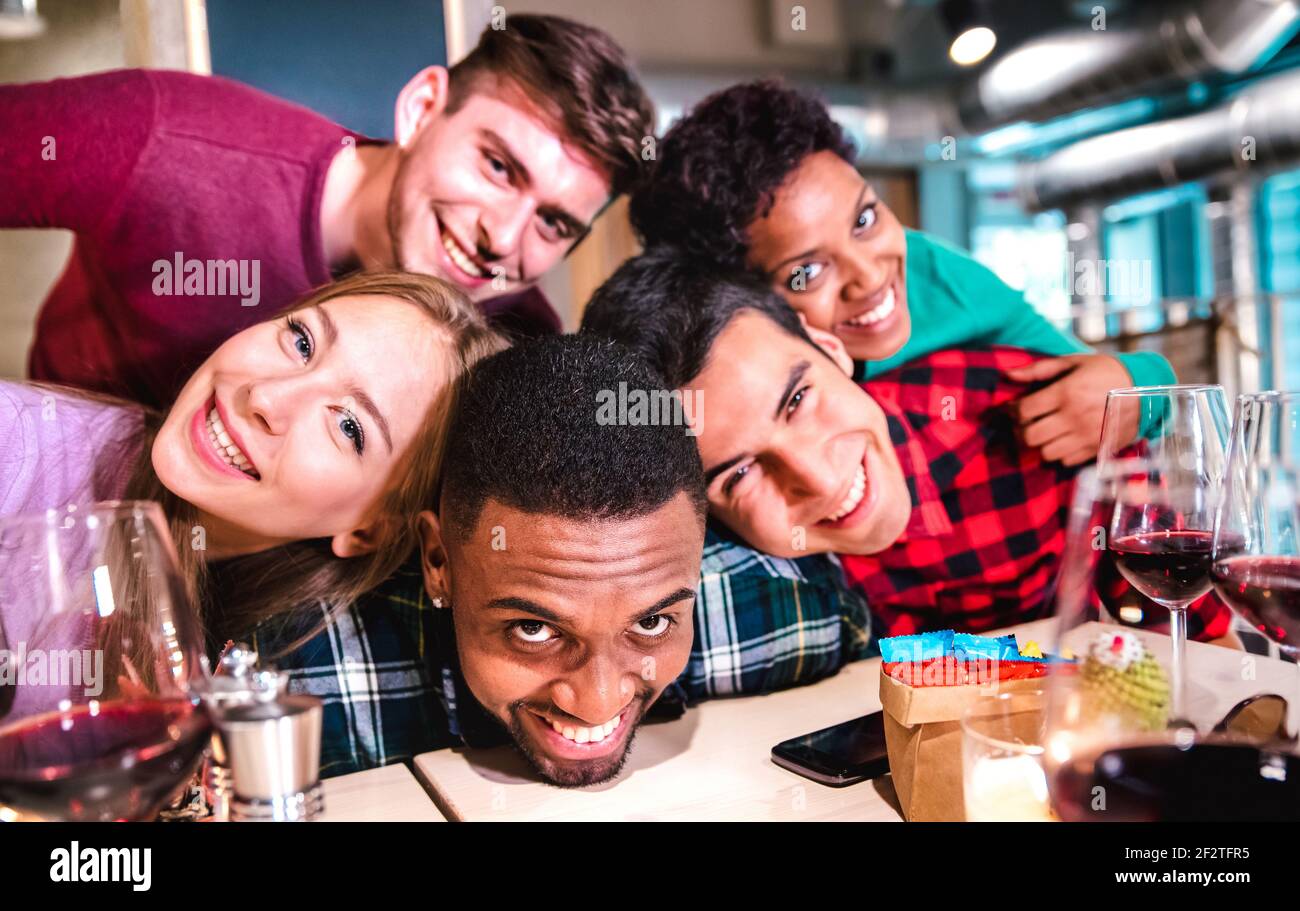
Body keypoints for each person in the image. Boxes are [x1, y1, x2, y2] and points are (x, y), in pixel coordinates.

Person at [248, 334, 874, 781]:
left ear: (697, 556)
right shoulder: (291, 679)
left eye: (652, 622)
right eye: (534, 629)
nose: (597, 702)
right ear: (439, 560)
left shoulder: (793, 611)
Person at [0, 14, 653, 407]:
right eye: (497, 166)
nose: (502, 237)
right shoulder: (166, 138)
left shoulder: (522, 343)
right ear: (423, 108)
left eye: (553, 223)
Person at [580, 248, 1233, 641]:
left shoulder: (1024, 411)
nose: (817, 476)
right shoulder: (710, 575)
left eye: (799, 398)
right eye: (740, 473)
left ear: (831, 349)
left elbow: (1197, 639)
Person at [629, 80, 1175, 468]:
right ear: (736, 299)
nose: (870, 276)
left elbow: (1140, 388)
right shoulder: (711, 372)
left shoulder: (932, 272)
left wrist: (1135, 387)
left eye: (864, 219)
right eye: (808, 271)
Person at [0, 271, 502, 651]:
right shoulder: (14, 440)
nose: (265, 396)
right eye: (302, 341)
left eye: (349, 426)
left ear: (369, 532)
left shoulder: (308, 652)